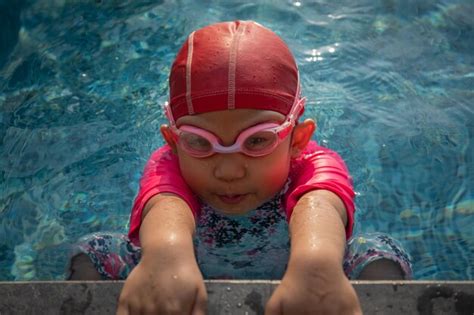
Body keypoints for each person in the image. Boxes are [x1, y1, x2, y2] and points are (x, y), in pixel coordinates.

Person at [68, 20, 412, 314]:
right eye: (200, 142)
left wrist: (316, 266)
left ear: (297, 140)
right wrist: (165, 258)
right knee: (93, 252)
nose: (229, 170)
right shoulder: (169, 163)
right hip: (188, 269)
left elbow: (319, 203)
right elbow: (166, 203)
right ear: (173, 142)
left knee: (381, 254)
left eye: (258, 141)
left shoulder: (315, 163)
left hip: (297, 274)